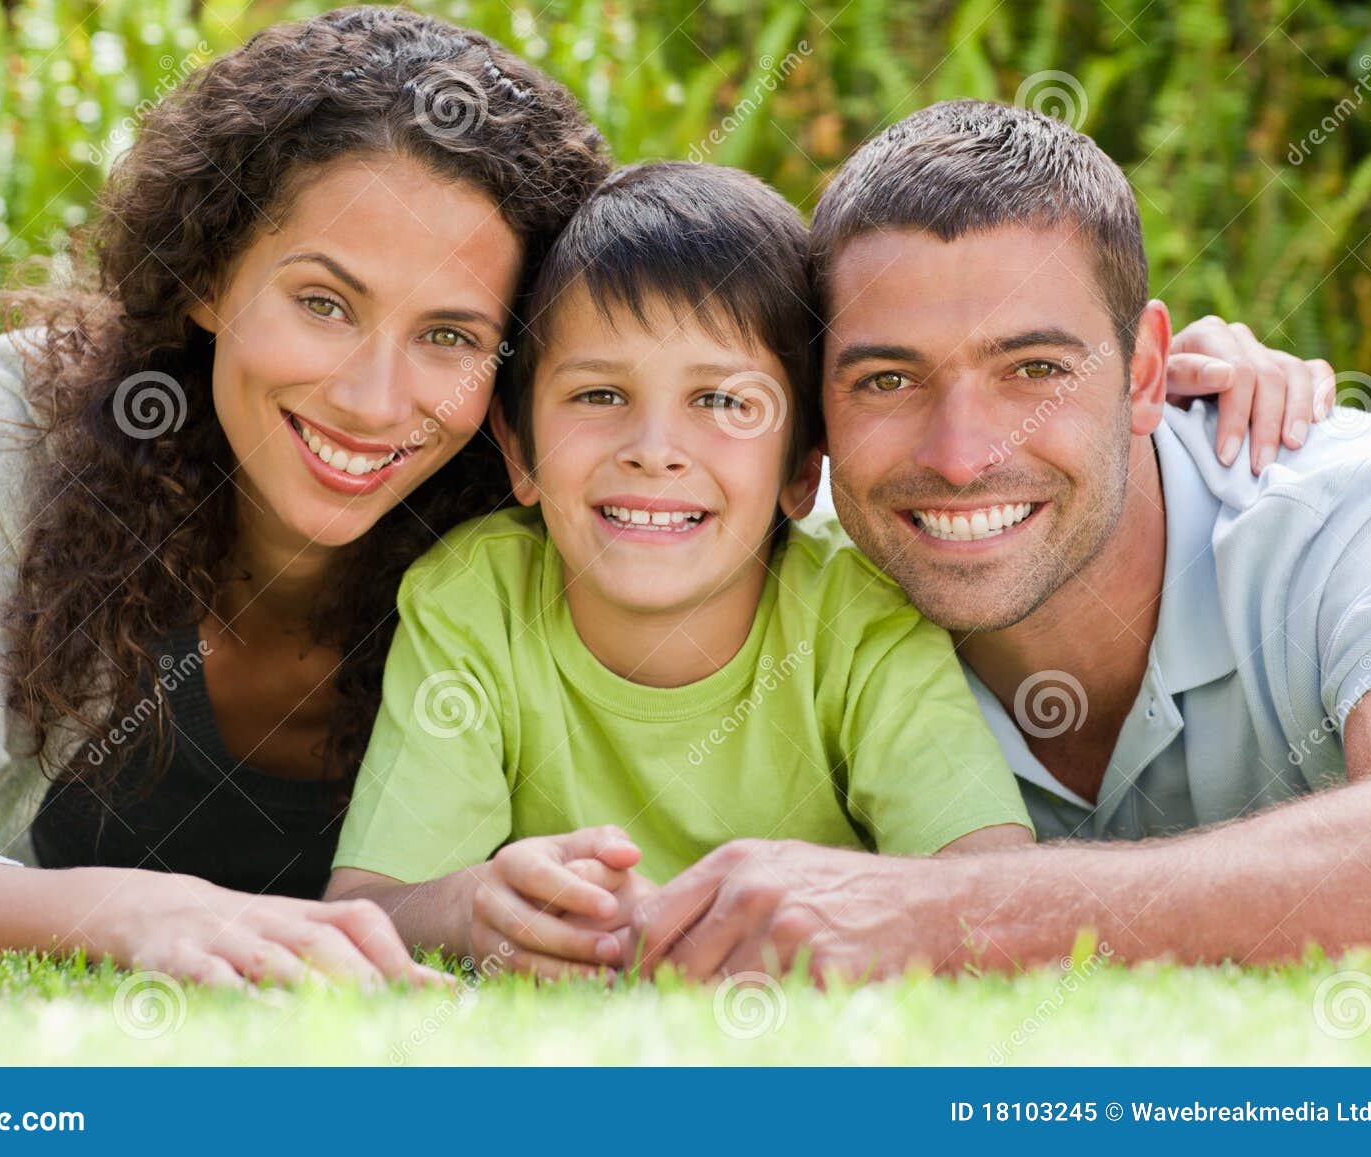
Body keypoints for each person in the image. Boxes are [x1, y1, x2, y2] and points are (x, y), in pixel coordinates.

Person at [0, 6, 610, 986]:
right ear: (208, 275)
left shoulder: (555, 508)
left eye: (450, 335)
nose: (372, 398)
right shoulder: (31, 428)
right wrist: (140, 909)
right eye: (323, 302)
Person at [628, 100, 1371, 983]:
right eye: (887, 379)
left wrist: (943, 915)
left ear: (1144, 372)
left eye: (1035, 370)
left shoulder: (1354, 514)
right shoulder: (784, 591)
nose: (961, 459)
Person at [324, 162, 1034, 978]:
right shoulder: (474, 602)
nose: (654, 450)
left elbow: (989, 879)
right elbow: (368, 909)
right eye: (598, 395)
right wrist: (473, 907)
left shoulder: (860, 613)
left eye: (725, 402)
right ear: (519, 452)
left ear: (805, 471)